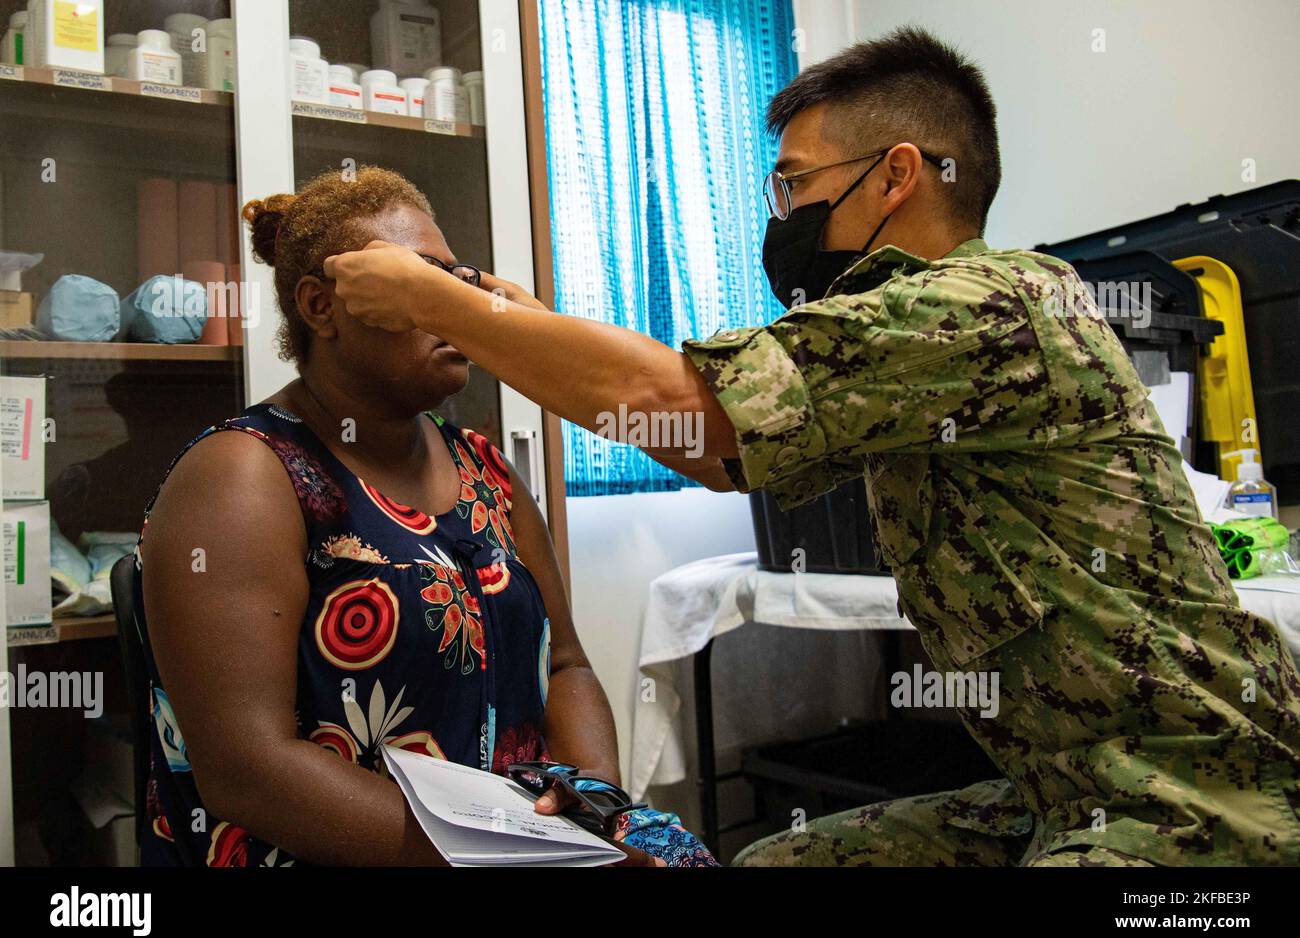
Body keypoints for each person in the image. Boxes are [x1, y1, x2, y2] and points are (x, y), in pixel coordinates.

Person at [321, 27, 1300, 866]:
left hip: (1190, 797)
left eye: (793, 182)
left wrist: (433, 299)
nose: (780, 215)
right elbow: (715, 450)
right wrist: (520, 326)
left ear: (896, 173)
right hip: (1066, 786)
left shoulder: (983, 304)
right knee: (782, 855)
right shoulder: (922, 342)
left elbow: (690, 406)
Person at [134, 166, 715, 867]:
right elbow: (246, 770)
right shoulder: (244, 476)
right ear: (321, 308)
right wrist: (499, 859)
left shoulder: (485, 469)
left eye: (456, 282)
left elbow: (566, 667)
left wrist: (594, 813)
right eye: (418, 285)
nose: (453, 306)